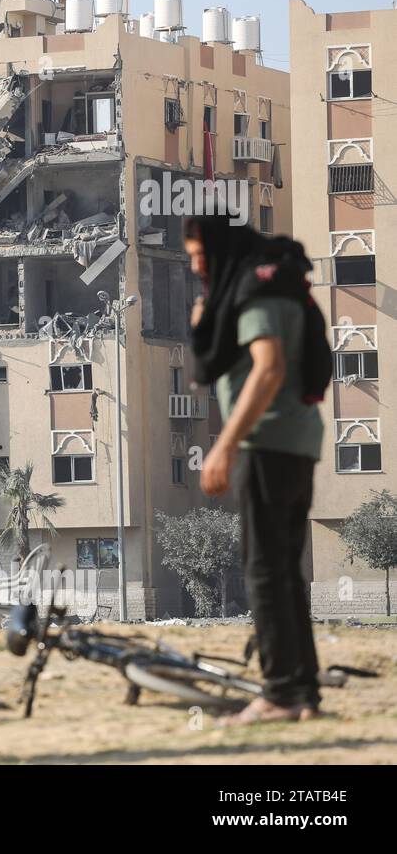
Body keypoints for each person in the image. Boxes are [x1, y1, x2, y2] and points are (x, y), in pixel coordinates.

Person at [185, 216, 329, 724]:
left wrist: (224, 446)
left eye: (202, 257)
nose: (198, 267)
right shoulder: (263, 288)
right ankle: (303, 693)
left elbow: (269, 368)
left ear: (222, 251)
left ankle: (279, 694)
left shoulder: (256, 292)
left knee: (265, 572)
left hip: (267, 442)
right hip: (294, 441)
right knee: (284, 572)